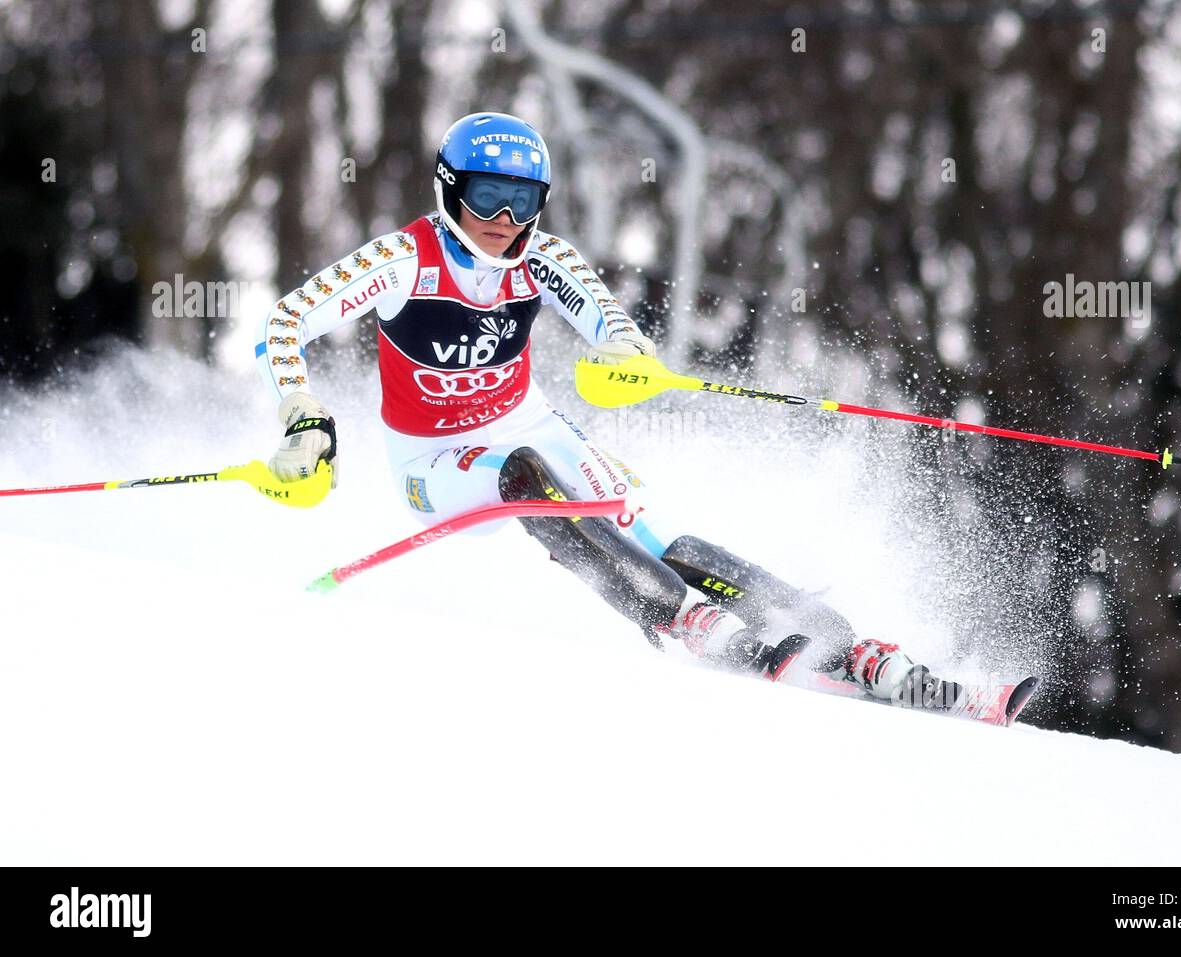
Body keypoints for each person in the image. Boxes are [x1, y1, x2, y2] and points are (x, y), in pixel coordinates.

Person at [255, 111, 952, 707]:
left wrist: (626, 358)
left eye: (523, 202)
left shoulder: (544, 257)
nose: (504, 221)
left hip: (527, 421)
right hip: (430, 460)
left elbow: (615, 328)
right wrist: (303, 418)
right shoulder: (401, 258)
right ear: (449, 191)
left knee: (657, 536)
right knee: (526, 479)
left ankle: (846, 646)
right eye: (487, 198)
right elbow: (283, 323)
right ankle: (687, 621)